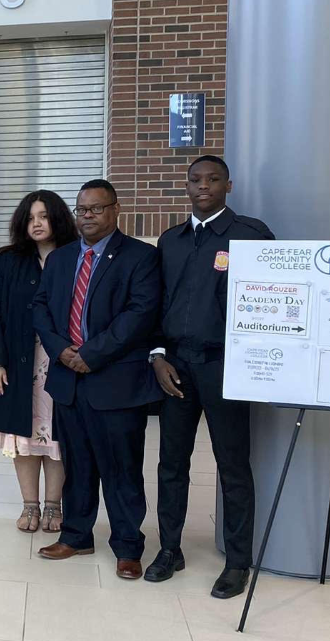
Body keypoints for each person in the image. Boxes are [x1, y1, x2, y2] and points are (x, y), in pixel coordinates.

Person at [146, 155, 275, 599]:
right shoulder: (171, 240)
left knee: (233, 466)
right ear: (186, 186)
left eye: (213, 179)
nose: (204, 186)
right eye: (196, 180)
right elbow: (156, 304)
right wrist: (158, 356)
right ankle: (170, 549)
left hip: (225, 367)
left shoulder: (251, 236)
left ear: (229, 185)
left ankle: (239, 562)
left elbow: (272, 304)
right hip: (175, 367)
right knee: (171, 465)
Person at [33, 179, 161, 580]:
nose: (87, 216)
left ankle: (127, 546)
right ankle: (76, 535)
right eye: (81, 210)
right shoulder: (60, 258)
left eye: (96, 209)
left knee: (122, 469)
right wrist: (61, 350)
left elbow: (140, 314)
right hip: (68, 381)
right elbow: (41, 308)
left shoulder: (140, 257)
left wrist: (91, 354)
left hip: (116, 381)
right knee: (78, 466)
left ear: (115, 209)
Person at [0, 191, 77, 533]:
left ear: (58, 220)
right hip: (19, 362)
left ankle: (54, 506)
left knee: (57, 438)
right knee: (24, 436)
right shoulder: (8, 261)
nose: (37, 223)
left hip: (62, 363)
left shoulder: (75, 256)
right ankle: (30, 506)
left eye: (44, 216)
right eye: (31, 217)